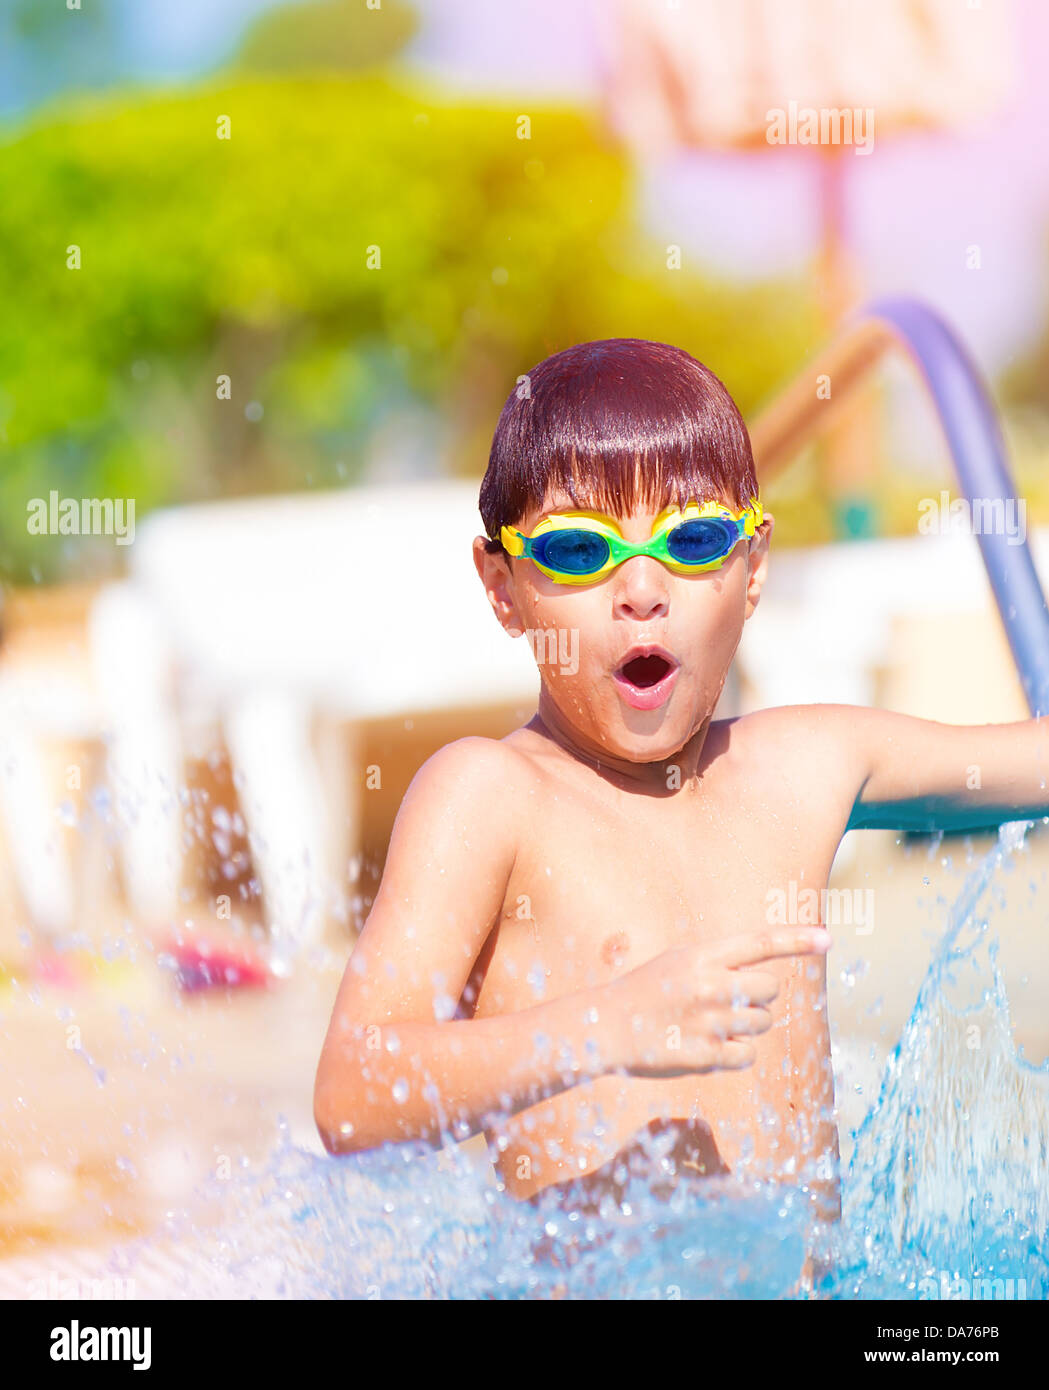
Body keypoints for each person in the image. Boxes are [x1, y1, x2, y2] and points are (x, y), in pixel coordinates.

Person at [314, 337, 1049, 1292]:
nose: (641, 592)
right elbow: (352, 1095)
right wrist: (601, 1027)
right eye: (579, 550)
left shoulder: (805, 764)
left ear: (752, 569)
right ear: (502, 588)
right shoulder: (487, 797)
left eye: (692, 540)